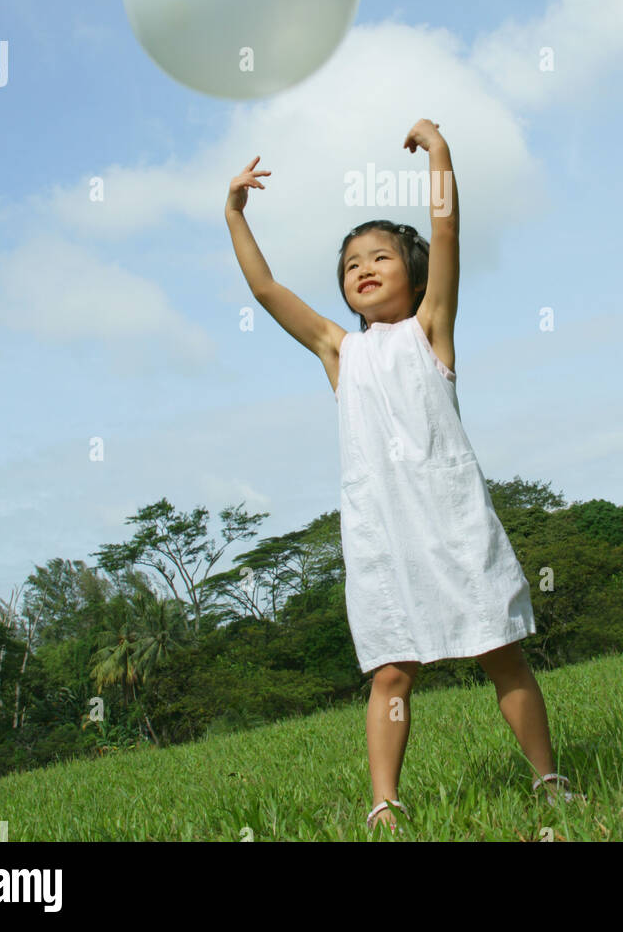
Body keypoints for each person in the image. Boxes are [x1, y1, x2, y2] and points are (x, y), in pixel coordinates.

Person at [225, 119, 575, 837]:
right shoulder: (337, 351)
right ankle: (384, 803)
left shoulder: (430, 329)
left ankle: (549, 778)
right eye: (351, 263)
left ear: (411, 274)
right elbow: (265, 291)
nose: (362, 267)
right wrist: (233, 213)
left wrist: (440, 153)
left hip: (452, 521)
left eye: (379, 256)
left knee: (500, 653)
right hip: (383, 536)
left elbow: (445, 233)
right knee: (391, 673)